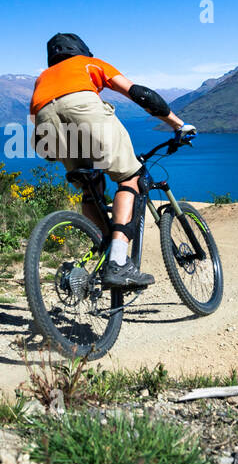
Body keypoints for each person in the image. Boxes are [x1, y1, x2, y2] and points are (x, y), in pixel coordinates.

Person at [30, 33, 195, 288]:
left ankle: (104, 245)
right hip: (83, 109)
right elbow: (140, 94)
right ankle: (118, 261)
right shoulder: (87, 64)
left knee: (89, 184)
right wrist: (177, 124)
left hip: (44, 121)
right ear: (81, 50)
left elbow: (43, 120)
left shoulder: (44, 77)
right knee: (131, 177)